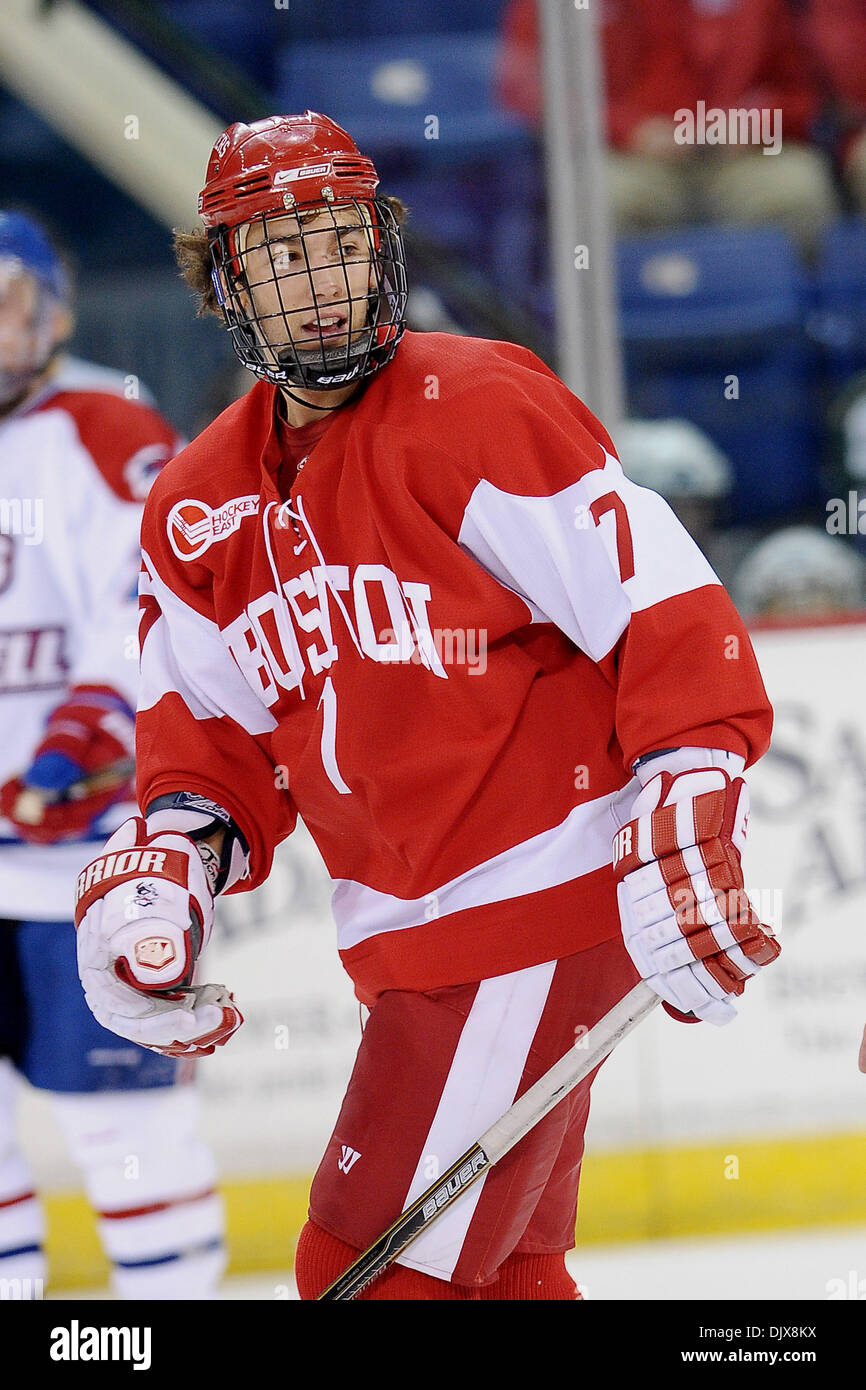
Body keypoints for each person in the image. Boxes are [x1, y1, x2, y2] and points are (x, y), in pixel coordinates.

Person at [72, 112, 780, 1301]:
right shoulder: (195, 507)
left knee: (364, 1267)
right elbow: (210, 736)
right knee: (504, 1276)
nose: (321, 284)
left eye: (338, 241)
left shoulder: (477, 401)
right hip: (405, 937)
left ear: (381, 245)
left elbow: (656, 603)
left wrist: (690, 781)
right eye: (281, 256)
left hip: (532, 899)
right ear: (226, 282)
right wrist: (176, 857)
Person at [0, 211, 227, 1299]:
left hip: (83, 868)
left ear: (53, 310)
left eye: (3, 300)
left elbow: (159, 593)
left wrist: (87, 726)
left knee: (130, 1137)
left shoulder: (103, 424)